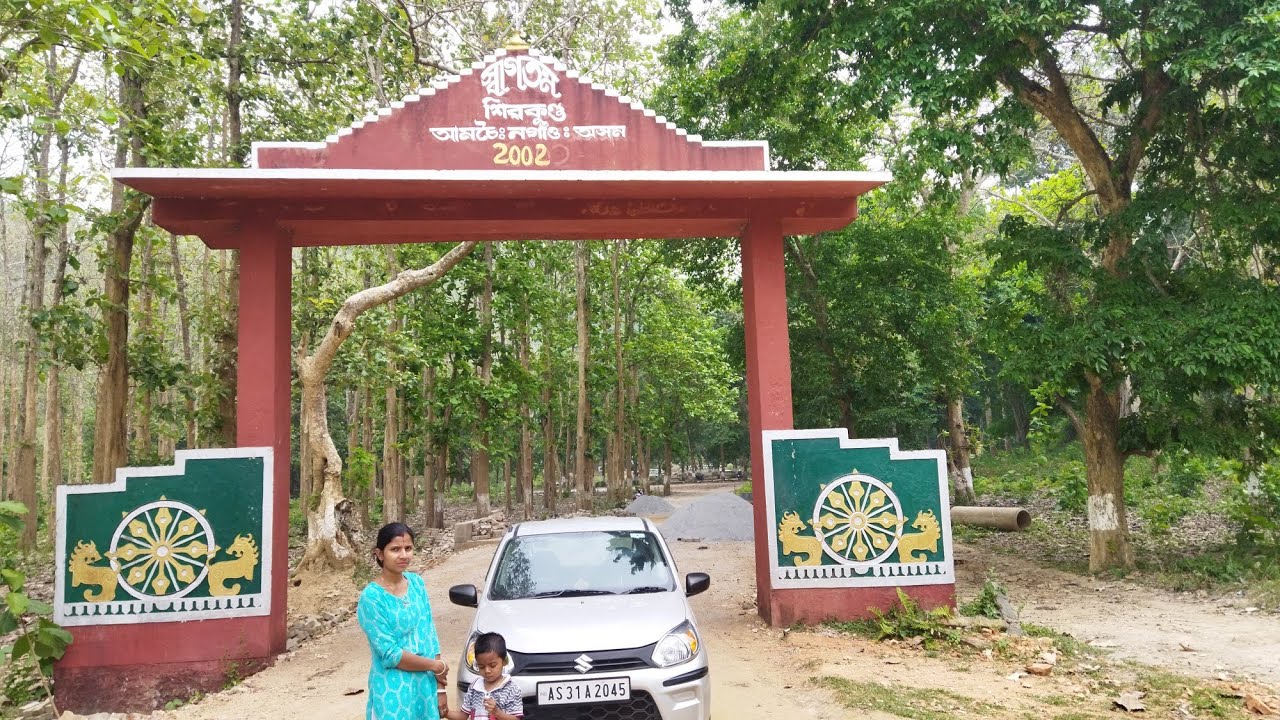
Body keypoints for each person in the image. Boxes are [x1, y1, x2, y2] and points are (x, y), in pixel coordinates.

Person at [357, 522, 449, 720]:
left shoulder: (416, 583)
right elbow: (390, 654)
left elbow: (430, 634)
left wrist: (440, 690)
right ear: (379, 554)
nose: (404, 555)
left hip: (424, 688)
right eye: (395, 549)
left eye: (408, 548)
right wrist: (434, 666)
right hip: (392, 692)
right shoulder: (372, 598)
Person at [442, 632, 523, 720]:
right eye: (481, 667)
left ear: (504, 662)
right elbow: (463, 716)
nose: (487, 671)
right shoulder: (474, 687)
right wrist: (446, 713)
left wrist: (497, 713)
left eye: (492, 665)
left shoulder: (511, 689)